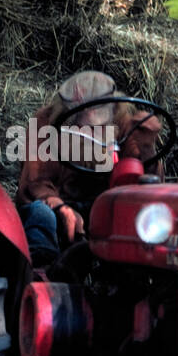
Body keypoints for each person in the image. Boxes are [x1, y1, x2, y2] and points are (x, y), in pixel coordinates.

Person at [15, 69, 162, 265]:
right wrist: (61, 208)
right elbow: (36, 181)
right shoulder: (46, 123)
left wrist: (146, 150)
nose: (92, 114)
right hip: (58, 201)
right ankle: (42, 272)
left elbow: (141, 182)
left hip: (105, 203)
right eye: (85, 111)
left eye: (99, 109)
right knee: (40, 216)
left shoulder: (126, 124)